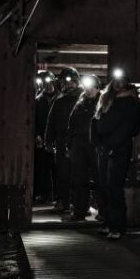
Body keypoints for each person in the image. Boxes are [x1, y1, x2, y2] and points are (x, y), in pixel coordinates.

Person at [93, 68, 140, 239]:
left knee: (114, 187)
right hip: (105, 148)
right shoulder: (108, 99)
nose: (118, 83)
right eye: (115, 80)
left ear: (127, 82)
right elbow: (98, 120)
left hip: (119, 149)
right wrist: (99, 142)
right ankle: (108, 222)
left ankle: (118, 227)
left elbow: (130, 128)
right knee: (104, 186)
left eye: (121, 80)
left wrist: (112, 144)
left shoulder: (131, 102)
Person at [44, 67, 82, 213]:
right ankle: (63, 201)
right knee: (62, 173)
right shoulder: (59, 101)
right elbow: (51, 122)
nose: (69, 85)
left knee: (79, 173)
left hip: (78, 142)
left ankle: (78, 203)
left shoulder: (84, 100)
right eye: (66, 82)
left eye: (72, 82)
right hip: (62, 141)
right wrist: (48, 141)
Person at [66, 74, 101, 221]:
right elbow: (71, 123)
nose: (87, 89)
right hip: (79, 143)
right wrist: (70, 145)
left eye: (90, 86)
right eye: (86, 86)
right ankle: (80, 210)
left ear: (97, 87)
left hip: (96, 144)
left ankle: (103, 211)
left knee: (100, 178)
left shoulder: (104, 101)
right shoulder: (81, 102)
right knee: (79, 178)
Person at [34, 70, 57, 203]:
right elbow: (34, 120)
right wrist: (37, 135)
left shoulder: (61, 99)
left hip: (57, 139)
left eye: (49, 82)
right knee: (42, 167)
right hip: (42, 139)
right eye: (45, 83)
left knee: (57, 168)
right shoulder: (38, 101)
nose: (47, 86)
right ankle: (44, 194)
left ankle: (57, 195)